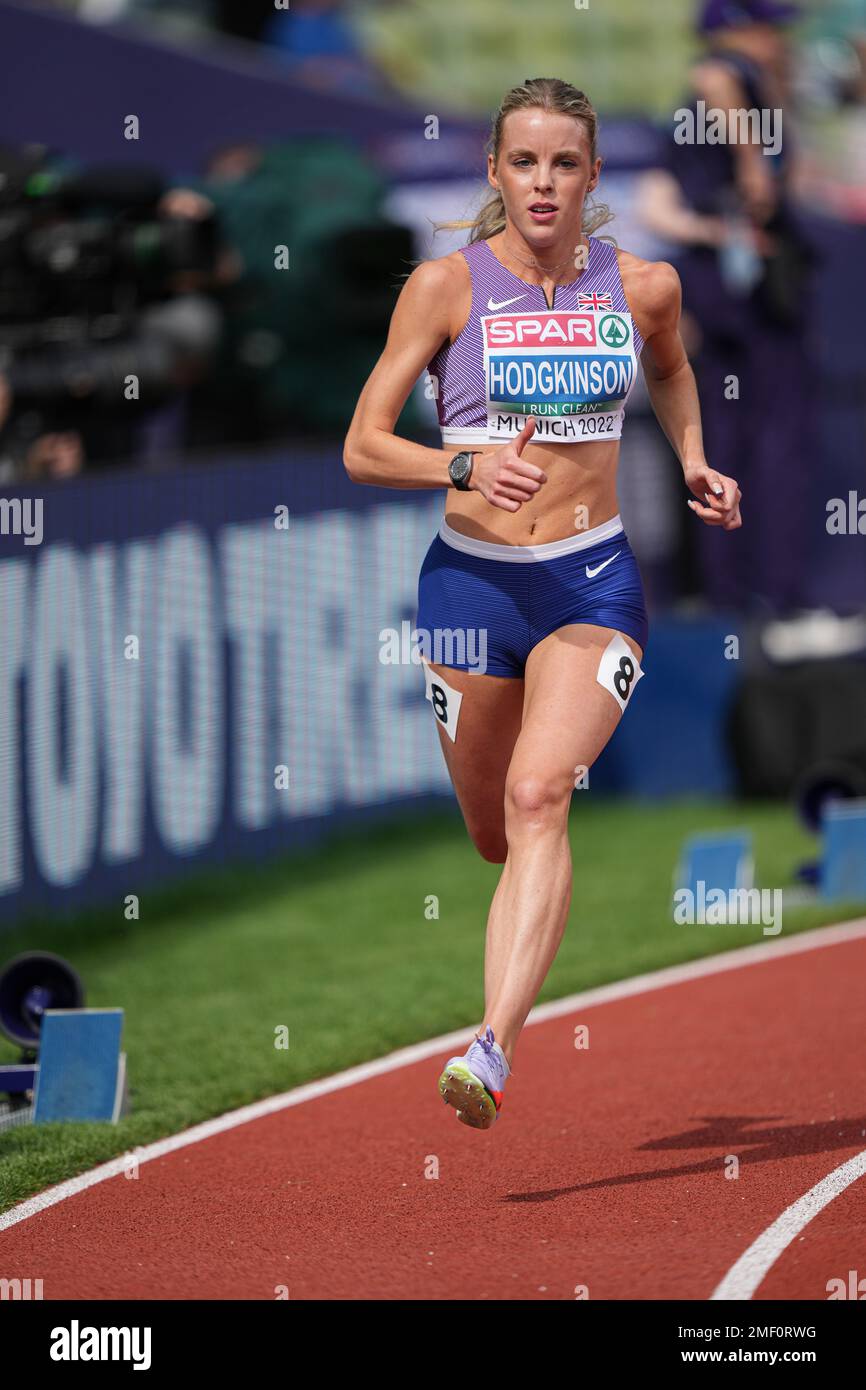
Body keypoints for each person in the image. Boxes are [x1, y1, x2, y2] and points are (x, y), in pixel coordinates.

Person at [344, 77, 741, 1131]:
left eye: (564, 163)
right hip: (470, 585)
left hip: (589, 580)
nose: (543, 182)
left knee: (536, 799)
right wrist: (459, 473)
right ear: (493, 172)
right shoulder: (443, 288)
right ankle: (501, 994)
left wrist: (695, 459)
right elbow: (362, 445)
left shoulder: (643, 284)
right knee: (489, 830)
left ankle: (492, 1046)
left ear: (591, 175)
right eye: (523, 161)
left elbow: (670, 368)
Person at [637, 0, 814, 615]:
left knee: (721, 440)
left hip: (719, 284)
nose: (777, 39)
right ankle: (772, 597)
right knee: (767, 441)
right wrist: (751, 167)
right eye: (767, 27)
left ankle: (729, 595)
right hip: (745, 295)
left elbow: (657, 205)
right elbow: (717, 80)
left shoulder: (697, 106)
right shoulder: (726, 80)